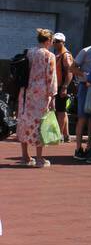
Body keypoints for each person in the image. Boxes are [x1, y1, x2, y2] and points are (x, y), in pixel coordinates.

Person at [15, 27, 57, 167]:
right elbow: (51, 78)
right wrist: (52, 96)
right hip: (41, 93)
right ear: (49, 40)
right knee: (41, 123)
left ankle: (25, 157)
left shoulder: (29, 52)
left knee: (24, 121)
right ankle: (39, 158)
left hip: (26, 92)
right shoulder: (49, 56)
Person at [50, 33, 74, 141]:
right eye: (54, 41)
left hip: (62, 86)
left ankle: (58, 135)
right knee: (62, 111)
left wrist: (64, 87)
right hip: (59, 86)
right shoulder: (58, 54)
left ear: (63, 42)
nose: (55, 43)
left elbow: (70, 71)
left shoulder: (65, 55)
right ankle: (66, 135)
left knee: (60, 111)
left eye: (58, 41)